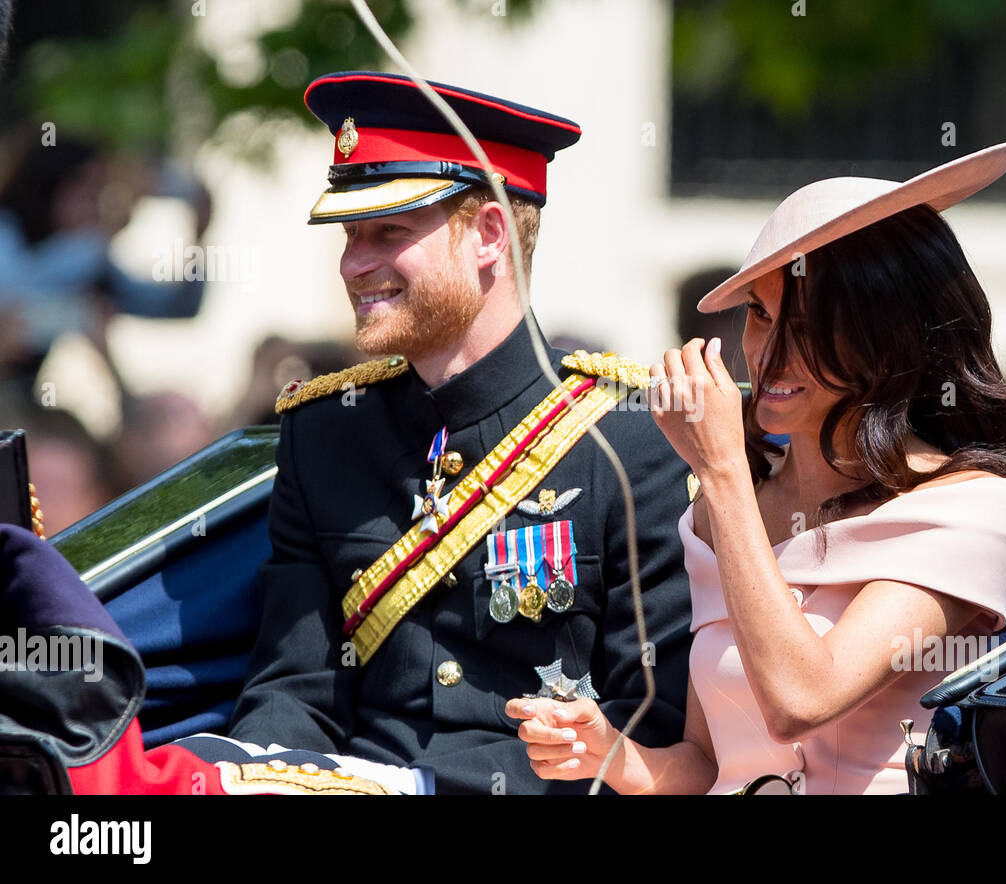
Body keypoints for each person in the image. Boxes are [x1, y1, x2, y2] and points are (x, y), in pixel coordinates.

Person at [165, 72, 694, 795]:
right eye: (351, 236)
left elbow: (652, 737)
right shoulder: (324, 434)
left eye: (388, 232)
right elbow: (295, 695)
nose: (353, 265)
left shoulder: (630, 440)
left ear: (487, 235)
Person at [509, 142, 1006, 794]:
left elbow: (802, 697)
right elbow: (709, 767)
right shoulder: (726, 508)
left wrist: (722, 473)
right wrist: (612, 755)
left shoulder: (974, 504)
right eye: (760, 316)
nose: (768, 355)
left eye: (805, 325)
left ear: (890, 337)